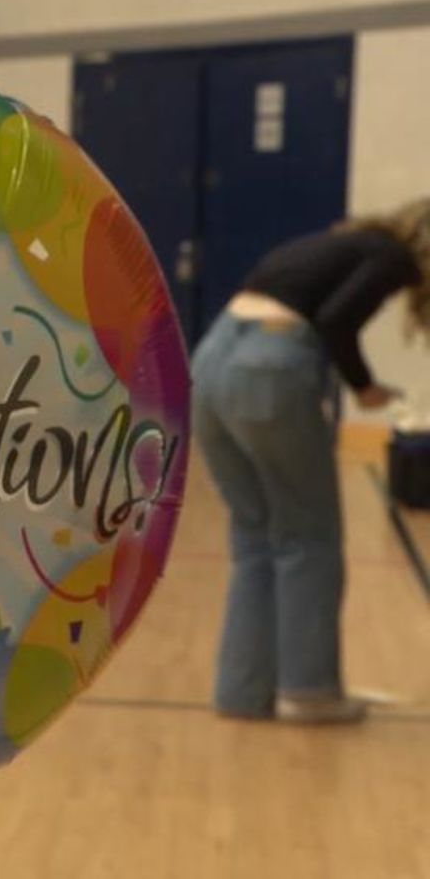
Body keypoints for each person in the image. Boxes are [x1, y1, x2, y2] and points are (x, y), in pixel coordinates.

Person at [193, 201, 430, 725]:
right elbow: (336, 319)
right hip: (269, 370)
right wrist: (364, 386)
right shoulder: (391, 258)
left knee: (253, 537)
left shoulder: (341, 244)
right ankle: (307, 690)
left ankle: (242, 691)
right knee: (309, 538)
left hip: (210, 366)